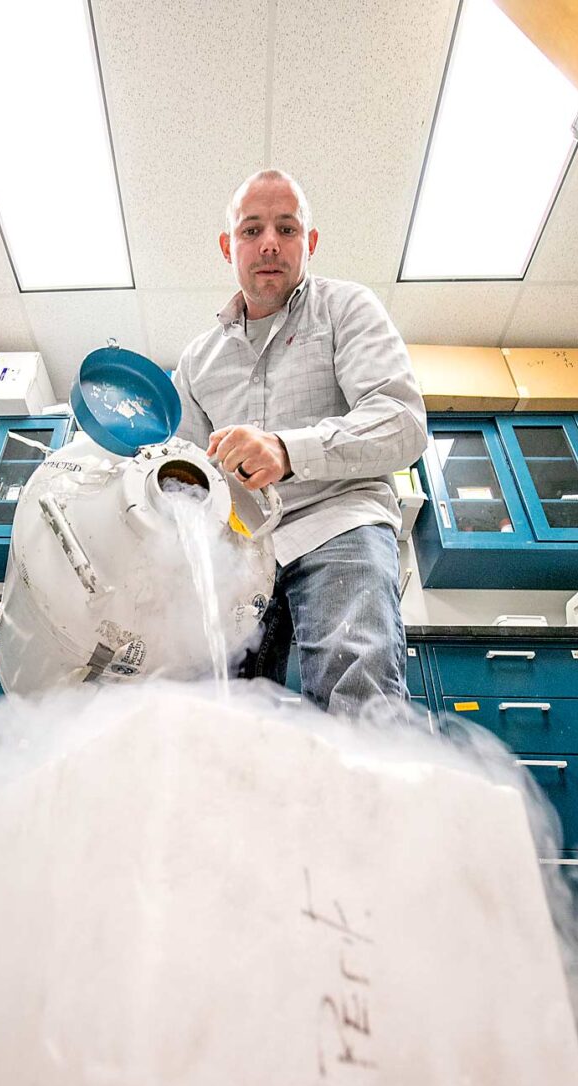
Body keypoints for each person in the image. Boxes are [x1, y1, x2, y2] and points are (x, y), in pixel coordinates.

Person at [172, 169, 427, 717]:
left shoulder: (346, 308)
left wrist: (287, 451)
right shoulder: (196, 362)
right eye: (252, 229)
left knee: (356, 682)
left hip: (339, 522)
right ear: (228, 246)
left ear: (309, 244)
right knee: (217, 708)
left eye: (287, 229)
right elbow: (183, 477)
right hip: (241, 550)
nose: (269, 242)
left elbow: (402, 420)